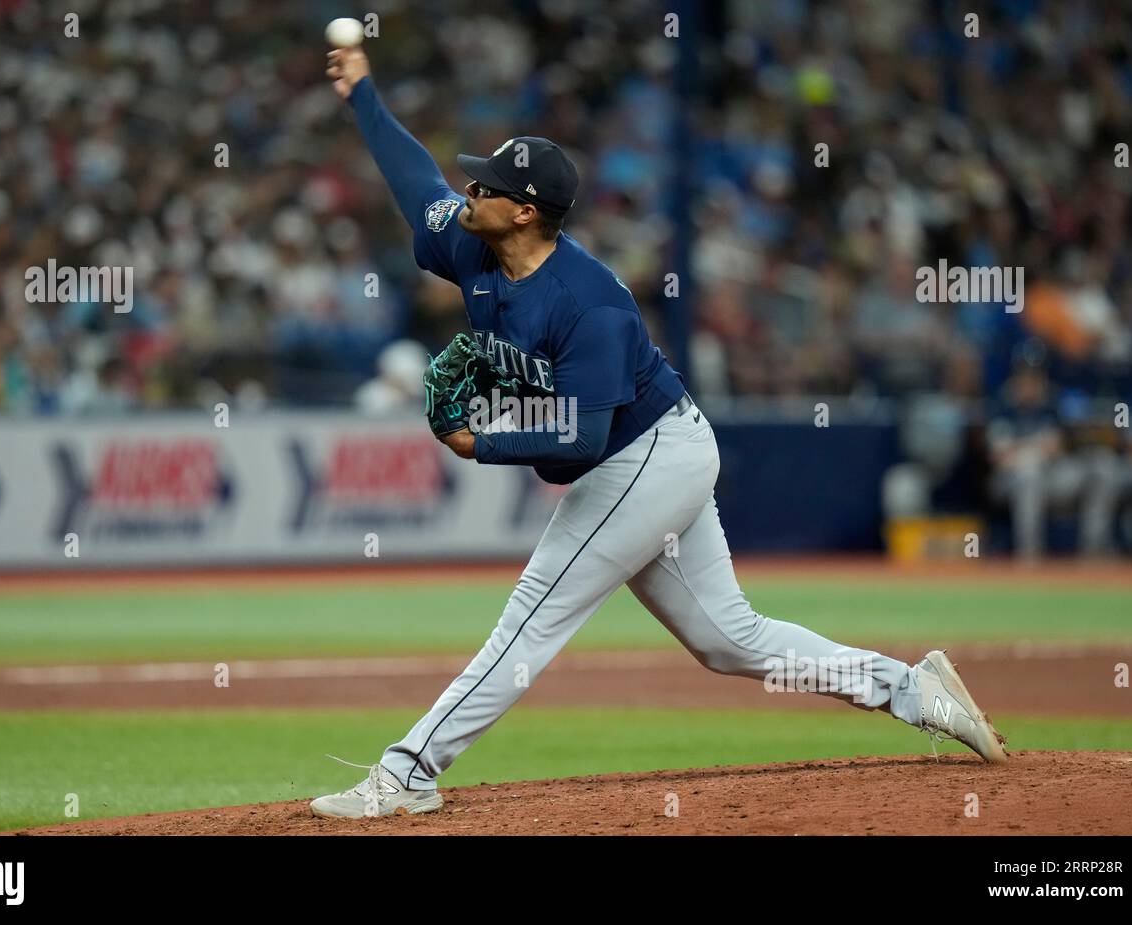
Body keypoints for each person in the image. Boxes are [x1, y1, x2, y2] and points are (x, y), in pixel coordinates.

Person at [310, 46, 1008, 819]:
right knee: (728, 639)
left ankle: (408, 770)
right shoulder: (471, 245)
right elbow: (417, 185)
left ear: (525, 211)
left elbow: (576, 447)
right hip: (644, 453)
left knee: (535, 611)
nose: (468, 190)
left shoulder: (590, 305)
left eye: (488, 186)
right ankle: (911, 688)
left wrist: (483, 445)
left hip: (648, 453)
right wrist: (364, 94)